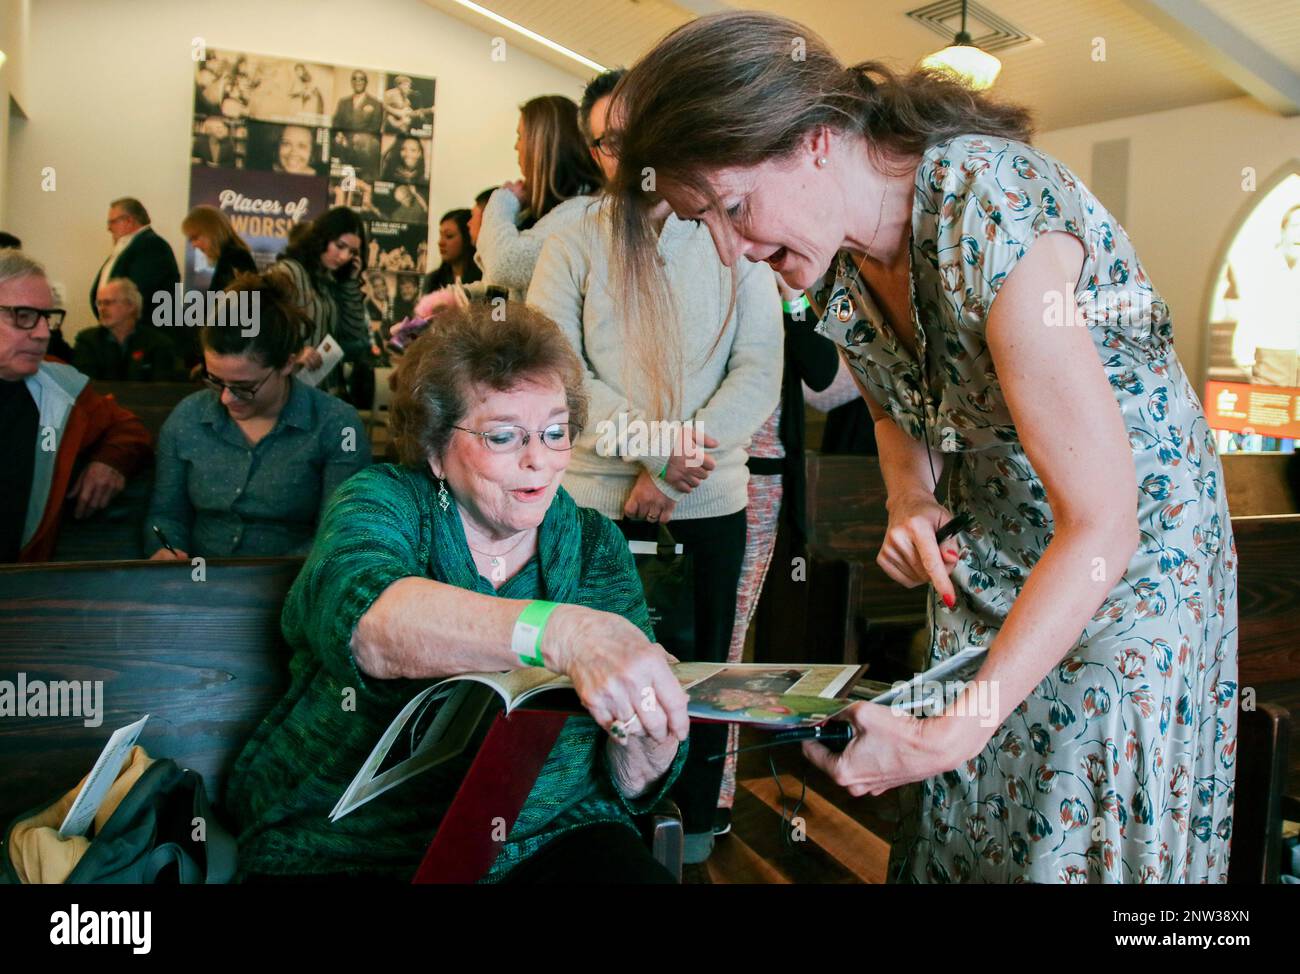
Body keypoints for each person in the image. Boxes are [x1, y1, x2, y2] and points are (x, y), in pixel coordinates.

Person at [605, 10, 1238, 884]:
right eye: (701, 222)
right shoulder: (834, 260)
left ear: (816, 140)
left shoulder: (989, 207)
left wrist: (956, 725)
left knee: (1056, 826)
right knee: (963, 819)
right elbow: (898, 389)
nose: (730, 251)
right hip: (998, 557)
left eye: (734, 209)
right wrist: (909, 495)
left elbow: (1103, 523)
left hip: (1124, 577)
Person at [223, 301, 689, 882]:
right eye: (502, 437)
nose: (538, 460)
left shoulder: (593, 544)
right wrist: (564, 634)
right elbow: (370, 625)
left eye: (553, 431)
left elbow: (631, 785)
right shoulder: (382, 502)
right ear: (435, 447)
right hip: (359, 839)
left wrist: (650, 737)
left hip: (550, 831)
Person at [528, 68, 783, 863]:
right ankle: (585, 832)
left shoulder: (728, 233)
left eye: (637, 133)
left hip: (711, 502)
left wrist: (679, 465)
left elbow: (759, 370)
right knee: (585, 678)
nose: (625, 153)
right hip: (593, 501)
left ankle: (695, 830)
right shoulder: (572, 234)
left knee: (705, 677)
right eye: (607, 139)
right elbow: (558, 370)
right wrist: (651, 448)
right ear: (596, 148)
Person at [146, 271, 370, 560]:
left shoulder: (336, 425)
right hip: (198, 584)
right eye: (214, 379)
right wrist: (168, 549)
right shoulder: (187, 418)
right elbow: (166, 514)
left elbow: (338, 535)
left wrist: (266, 583)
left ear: (288, 364)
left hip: (295, 588)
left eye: (245, 387)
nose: (226, 397)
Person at [0, 250, 152, 562]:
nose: (43, 333)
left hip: (23, 594)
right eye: (24, 316)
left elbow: (127, 429)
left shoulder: (59, 388)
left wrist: (110, 461)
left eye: (47, 317)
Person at [272, 207, 370, 390]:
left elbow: (352, 332)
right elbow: (260, 328)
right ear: (322, 237)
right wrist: (292, 353)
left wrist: (350, 283)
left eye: (352, 252)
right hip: (288, 385)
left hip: (320, 386)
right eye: (340, 246)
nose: (344, 257)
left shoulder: (329, 281)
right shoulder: (289, 272)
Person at [88, 198, 181, 328]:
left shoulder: (152, 245)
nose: (108, 228)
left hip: (142, 335)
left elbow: (139, 292)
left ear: (129, 220)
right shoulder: (130, 246)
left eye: (112, 222)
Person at [73, 278, 179, 381]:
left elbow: (163, 390)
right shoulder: (87, 342)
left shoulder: (158, 344)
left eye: (108, 303)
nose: (102, 309)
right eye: (99, 303)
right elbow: (85, 387)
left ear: (130, 306)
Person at [182, 204, 258, 294]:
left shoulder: (233, 258)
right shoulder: (233, 256)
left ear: (212, 232)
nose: (194, 245)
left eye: (195, 238)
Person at [422, 209, 481, 293]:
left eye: (449, 236)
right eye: (441, 235)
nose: (440, 242)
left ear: (467, 238)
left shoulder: (483, 280)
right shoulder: (433, 280)